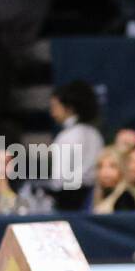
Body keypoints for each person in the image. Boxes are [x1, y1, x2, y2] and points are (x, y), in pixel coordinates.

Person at [48, 80, 104, 211]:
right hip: (86, 198)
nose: (52, 113)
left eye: (55, 107)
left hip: (70, 201)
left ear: (69, 108)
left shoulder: (67, 136)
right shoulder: (95, 134)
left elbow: (60, 179)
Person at [91, 148, 135, 213]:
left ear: (121, 170)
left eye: (112, 166)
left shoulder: (125, 198)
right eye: (101, 166)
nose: (105, 172)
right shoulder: (97, 195)